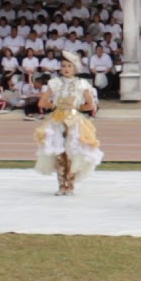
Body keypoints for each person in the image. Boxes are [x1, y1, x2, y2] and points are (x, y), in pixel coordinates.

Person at [34, 50, 103, 196]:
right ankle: (61, 185)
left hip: (74, 122)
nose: (66, 69)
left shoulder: (82, 84)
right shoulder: (54, 83)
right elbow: (42, 102)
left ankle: (70, 185)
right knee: (59, 153)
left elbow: (90, 105)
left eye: (69, 66)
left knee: (72, 153)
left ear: (75, 68)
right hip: (57, 121)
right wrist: (56, 105)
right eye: (63, 66)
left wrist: (76, 107)